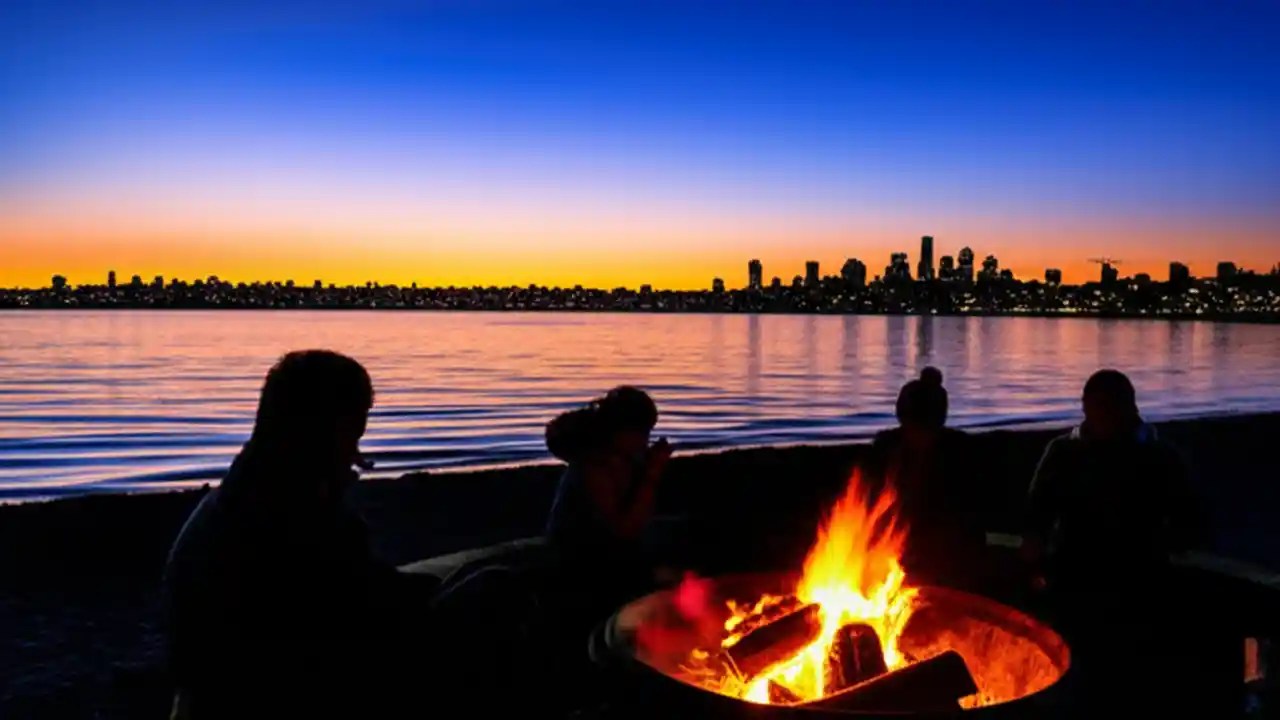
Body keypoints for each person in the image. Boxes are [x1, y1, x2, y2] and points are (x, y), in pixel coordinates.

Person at [163, 351, 438, 718]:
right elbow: (363, 605)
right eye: (356, 423)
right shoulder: (295, 513)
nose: (358, 439)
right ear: (333, 424)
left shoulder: (245, 489)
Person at [1025, 369, 1199, 591]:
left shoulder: (1161, 457)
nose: (1106, 413)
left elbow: (1187, 522)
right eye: (1100, 405)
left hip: (1139, 573)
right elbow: (1037, 513)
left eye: (1111, 405)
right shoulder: (1062, 452)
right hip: (1076, 572)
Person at [544, 386, 673, 614]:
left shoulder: (624, 458)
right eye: (642, 433)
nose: (646, 441)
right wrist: (653, 471)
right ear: (620, 431)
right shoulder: (594, 467)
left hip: (614, 552)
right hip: (584, 564)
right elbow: (623, 532)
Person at [866, 367, 985, 587]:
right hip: (896, 547)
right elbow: (871, 503)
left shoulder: (958, 453)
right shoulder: (887, 447)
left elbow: (966, 514)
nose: (918, 438)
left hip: (941, 552)